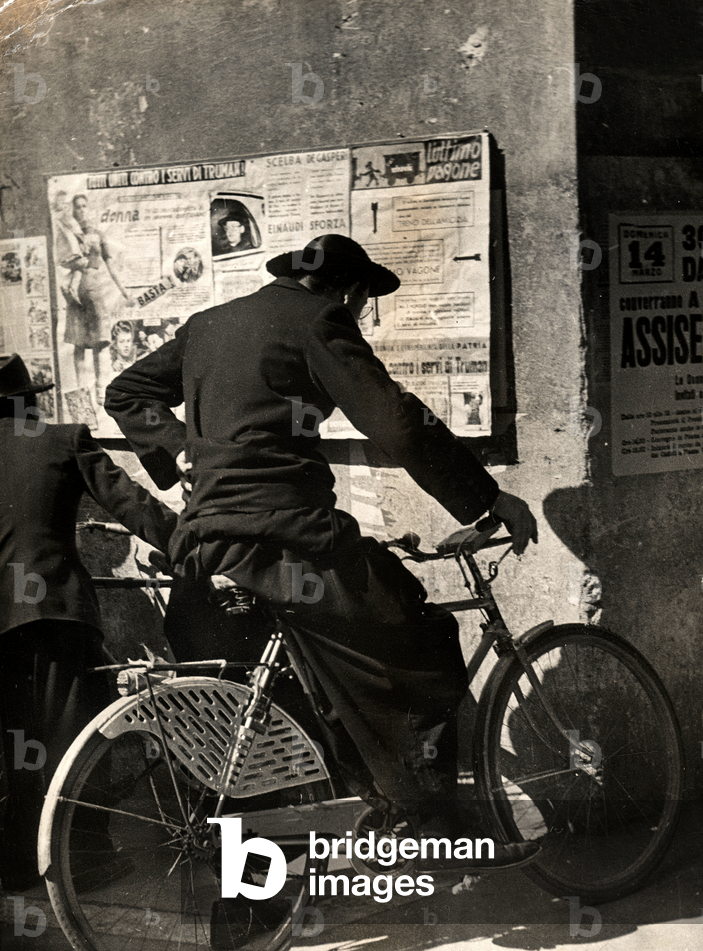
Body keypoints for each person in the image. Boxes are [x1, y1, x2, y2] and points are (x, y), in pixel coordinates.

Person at [105, 234, 539, 869]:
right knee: (420, 639)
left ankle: (270, 878)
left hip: (202, 549)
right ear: (347, 290)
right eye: (363, 301)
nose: (360, 312)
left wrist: (181, 450)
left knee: (277, 696)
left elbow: (126, 391)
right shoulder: (319, 320)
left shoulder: (209, 323)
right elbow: (396, 423)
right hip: (286, 543)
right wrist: (486, 499)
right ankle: (434, 827)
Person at [0, 354, 178, 892]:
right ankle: (84, 860)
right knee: (73, 739)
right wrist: (198, 547)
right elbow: (133, 506)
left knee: (15, 745)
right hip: (54, 612)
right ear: (29, 401)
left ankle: (17, 864)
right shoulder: (61, 440)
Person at [62, 194, 133, 406]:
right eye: (78, 207)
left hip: (93, 289)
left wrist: (124, 292)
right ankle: (82, 396)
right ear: (73, 211)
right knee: (78, 343)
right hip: (75, 292)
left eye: (85, 206)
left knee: (100, 342)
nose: (82, 210)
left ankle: (101, 390)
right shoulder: (69, 234)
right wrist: (77, 261)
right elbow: (62, 261)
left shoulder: (98, 235)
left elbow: (110, 265)